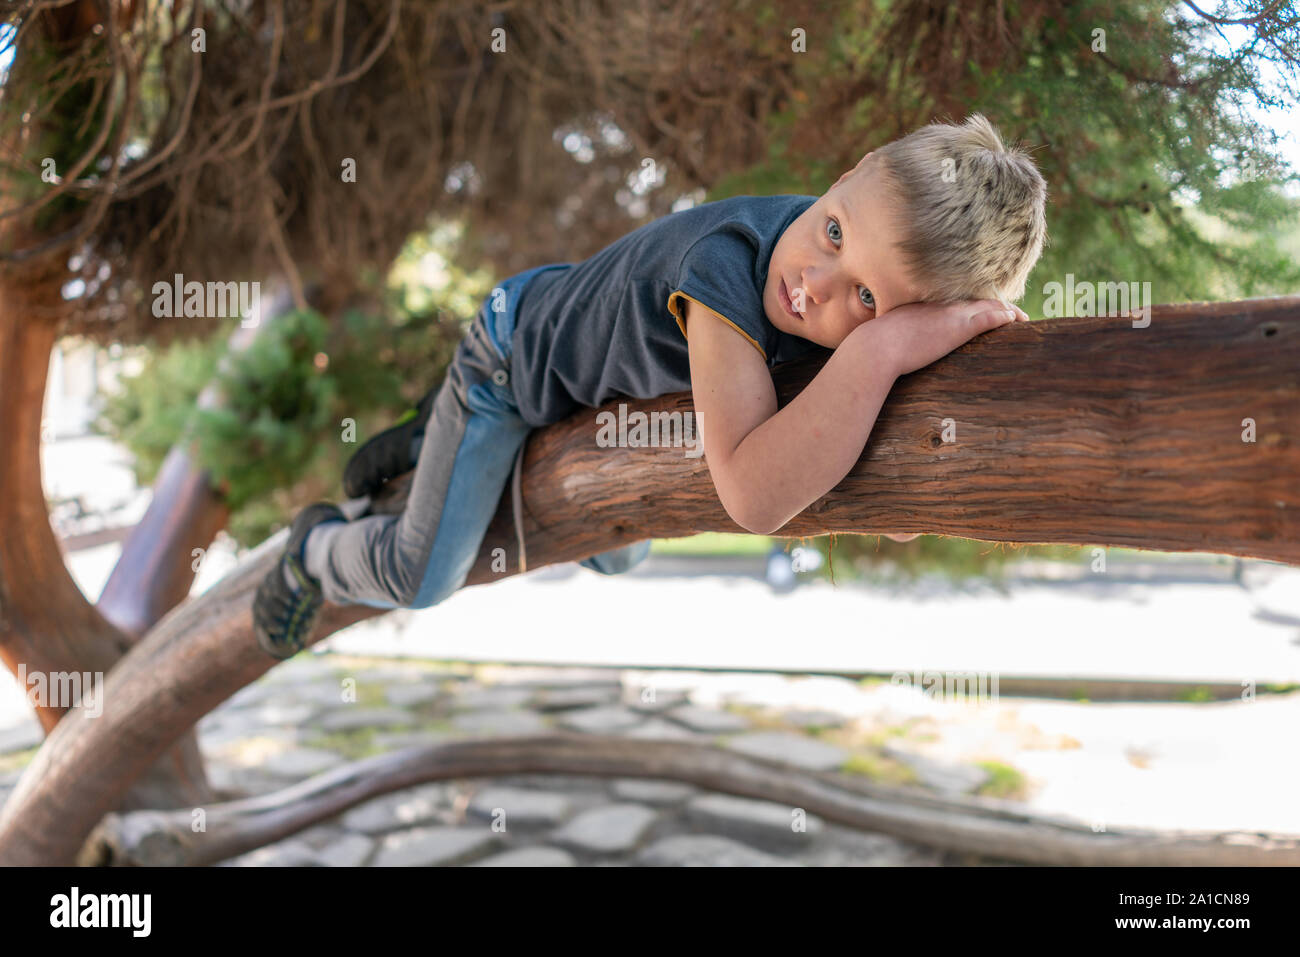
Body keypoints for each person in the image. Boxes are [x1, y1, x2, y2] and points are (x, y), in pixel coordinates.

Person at [252, 113, 1047, 658]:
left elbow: (886, 500)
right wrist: (881, 347)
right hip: (509, 360)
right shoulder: (728, 271)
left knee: (618, 560)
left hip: (592, 374)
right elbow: (751, 493)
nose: (814, 284)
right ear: (845, 176)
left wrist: (889, 359)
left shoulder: (805, 295)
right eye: (833, 231)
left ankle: (428, 436)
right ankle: (315, 547)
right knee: (420, 575)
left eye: (865, 298)